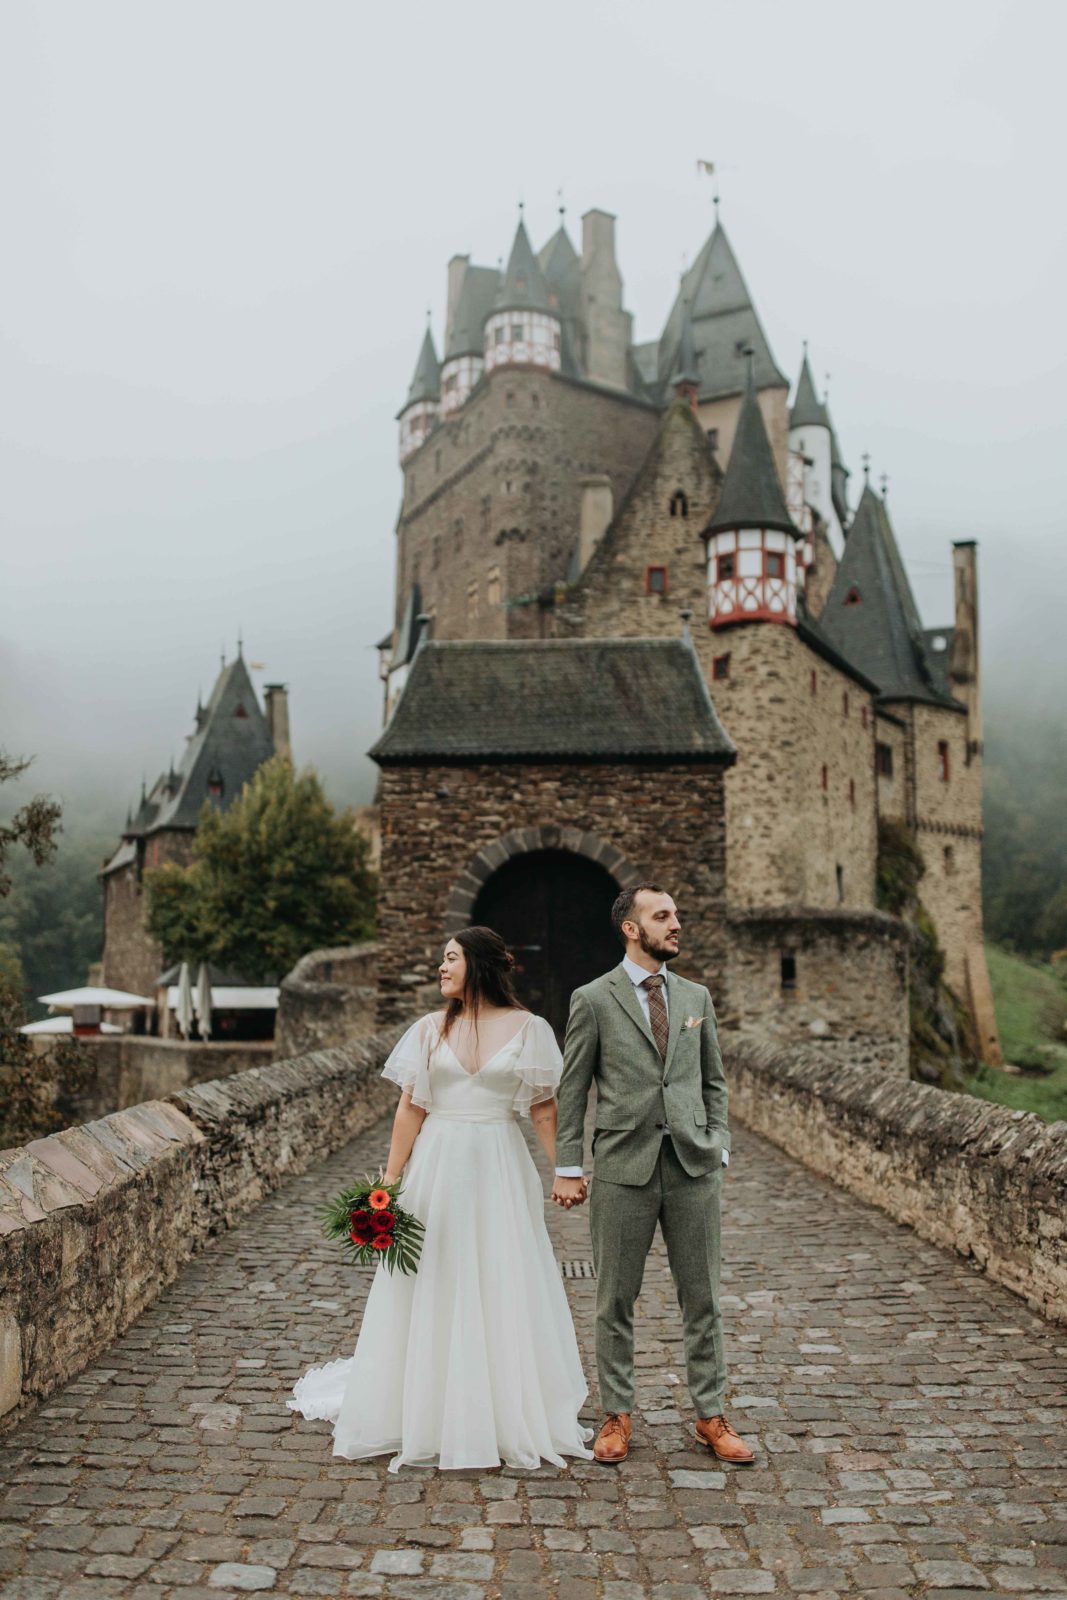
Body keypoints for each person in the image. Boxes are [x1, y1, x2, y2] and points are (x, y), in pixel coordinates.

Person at [288, 925, 593, 1473]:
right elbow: (411, 1109)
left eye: (450, 959)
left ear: (477, 964)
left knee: (500, 1273)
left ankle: (500, 1407)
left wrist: (566, 1170)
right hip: (437, 1165)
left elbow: (544, 1108)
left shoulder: (532, 1028)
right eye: (440, 960)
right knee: (431, 1275)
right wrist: (389, 1183)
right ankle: (424, 1404)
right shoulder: (428, 1029)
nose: (441, 968)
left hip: (499, 1163)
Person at [552, 884, 754, 1467]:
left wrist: (719, 1145)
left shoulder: (696, 997)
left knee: (704, 1298)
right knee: (614, 1297)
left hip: (693, 1166)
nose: (677, 924)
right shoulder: (592, 999)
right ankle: (616, 1415)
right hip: (622, 1168)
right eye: (662, 916)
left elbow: (713, 1080)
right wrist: (569, 1166)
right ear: (631, 929)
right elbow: (573, 1090)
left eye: (677, 915)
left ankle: (710, 1415)